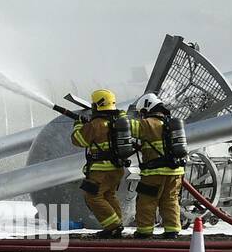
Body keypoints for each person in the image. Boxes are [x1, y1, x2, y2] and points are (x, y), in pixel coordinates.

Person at [70, 88, 135, 238]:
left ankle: (113, 226)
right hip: (117, 168)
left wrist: (78, 124)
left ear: (97, 105)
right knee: (109, 195)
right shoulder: (119, 121)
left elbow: (78, 140)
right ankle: (117, 225)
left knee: (93, 197)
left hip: (101, 170)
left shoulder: (96, 124)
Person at [131, 93, 186, 238]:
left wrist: (119, 116)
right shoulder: (171, 124)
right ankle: (172, 231)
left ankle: (144, 232)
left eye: (141, 113)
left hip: (154, 172)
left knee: (146, 201)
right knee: (170, 200)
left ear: (147, 109)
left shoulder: (147, 123)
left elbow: (128, 127)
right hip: (176, 172)